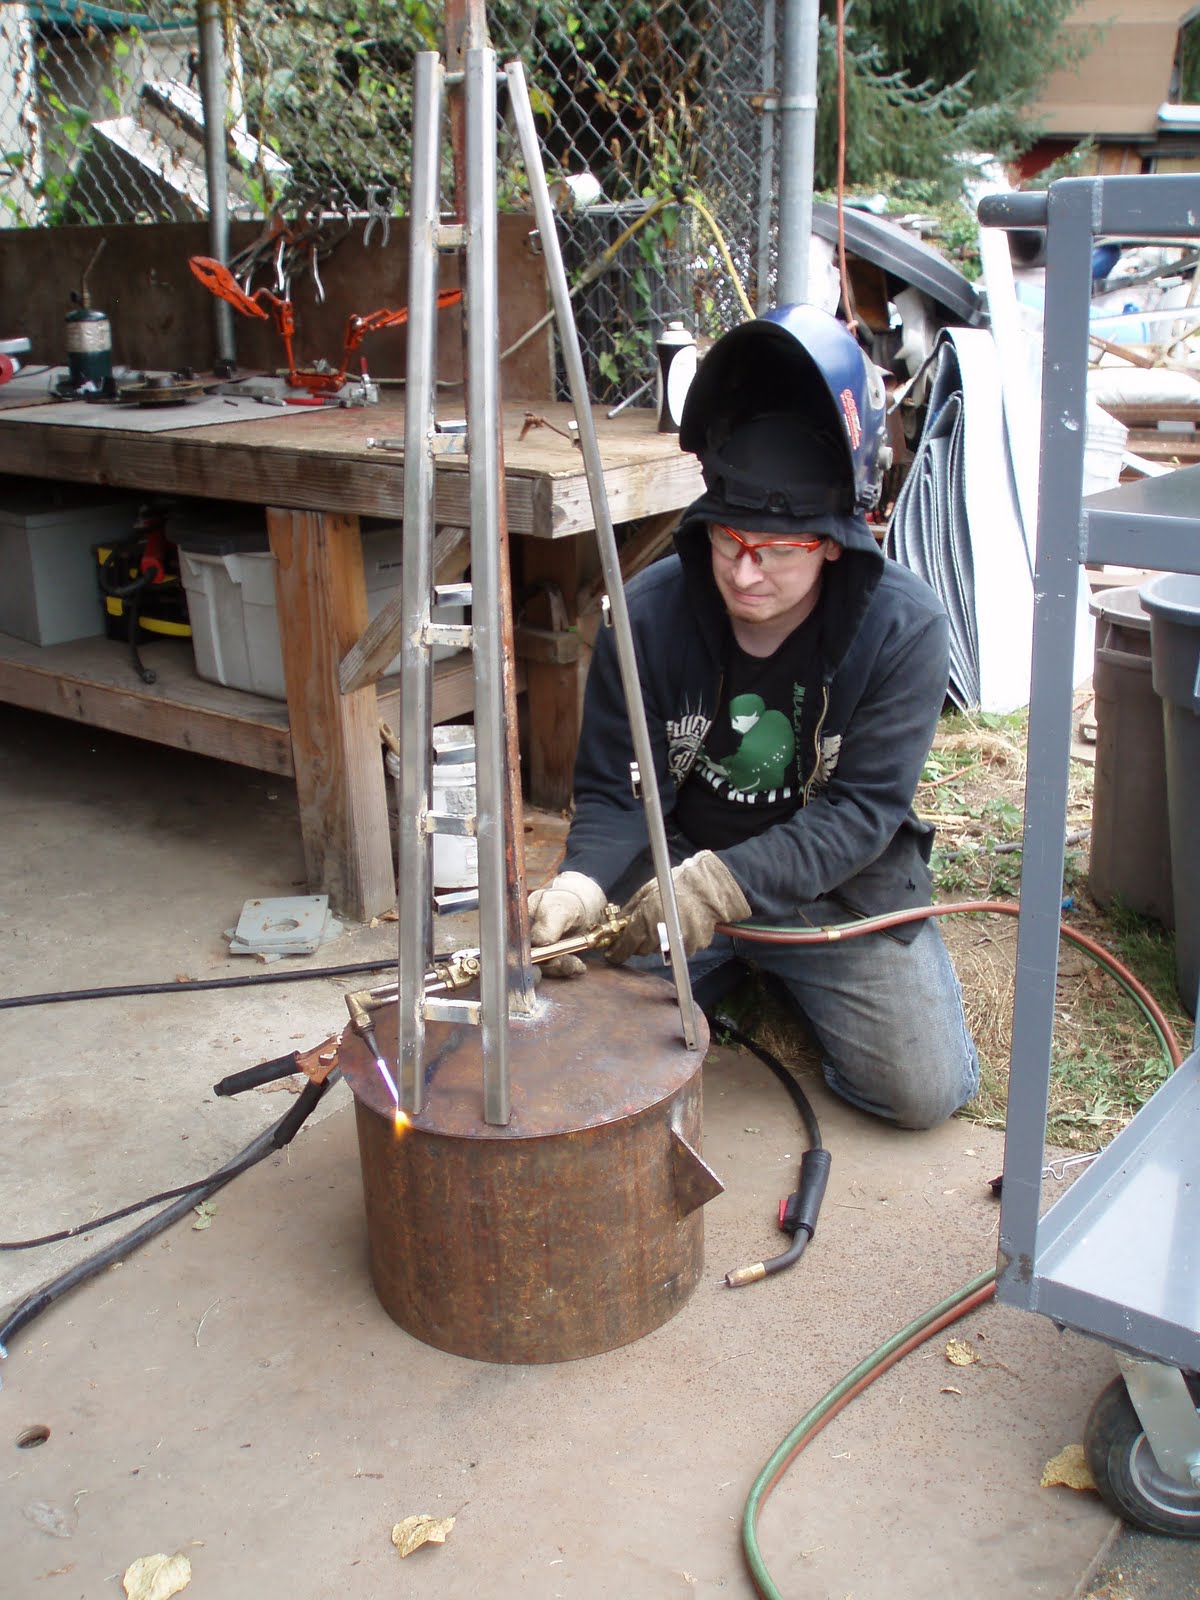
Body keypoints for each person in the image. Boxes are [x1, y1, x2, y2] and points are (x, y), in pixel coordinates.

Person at [528, 305, 978, 1131]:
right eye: (727, 540)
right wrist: (584, 882)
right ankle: (726, 968)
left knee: (923, 1093)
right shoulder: (645, 616)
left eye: (776, 551)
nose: (743, 573)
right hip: (674, 874)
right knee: (566, 1037)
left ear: (832, 542)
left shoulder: (903, 628)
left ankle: (770, 970)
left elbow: (862, 813)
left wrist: (729, 887)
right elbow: (617, 789)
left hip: (833, 892)